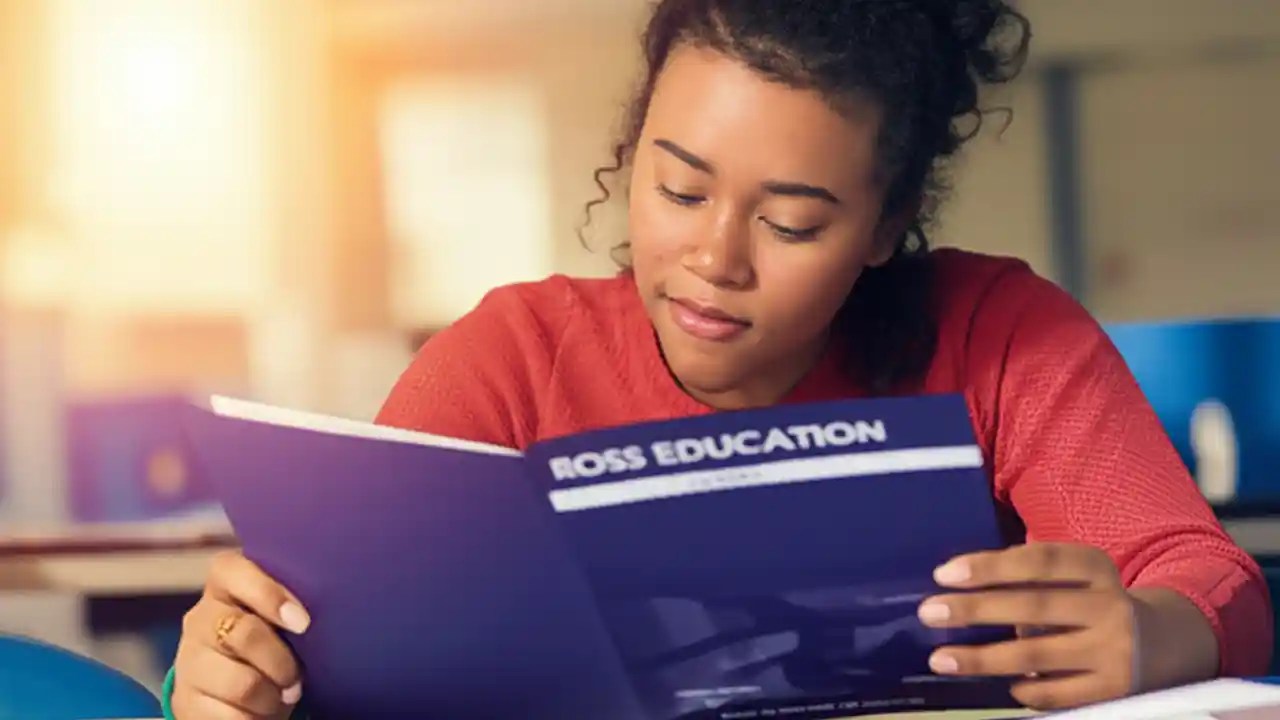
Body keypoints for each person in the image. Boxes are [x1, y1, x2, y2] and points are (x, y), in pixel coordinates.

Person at [164, 1, 1274, 718]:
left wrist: (1150, 631)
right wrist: (218, 675)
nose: (711, 259)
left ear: (885, 227)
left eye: (791, 224)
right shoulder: (511, 356)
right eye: (678, 188)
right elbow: (314, 637)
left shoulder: (995, 332)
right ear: (630, 148)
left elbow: (1205, 574)